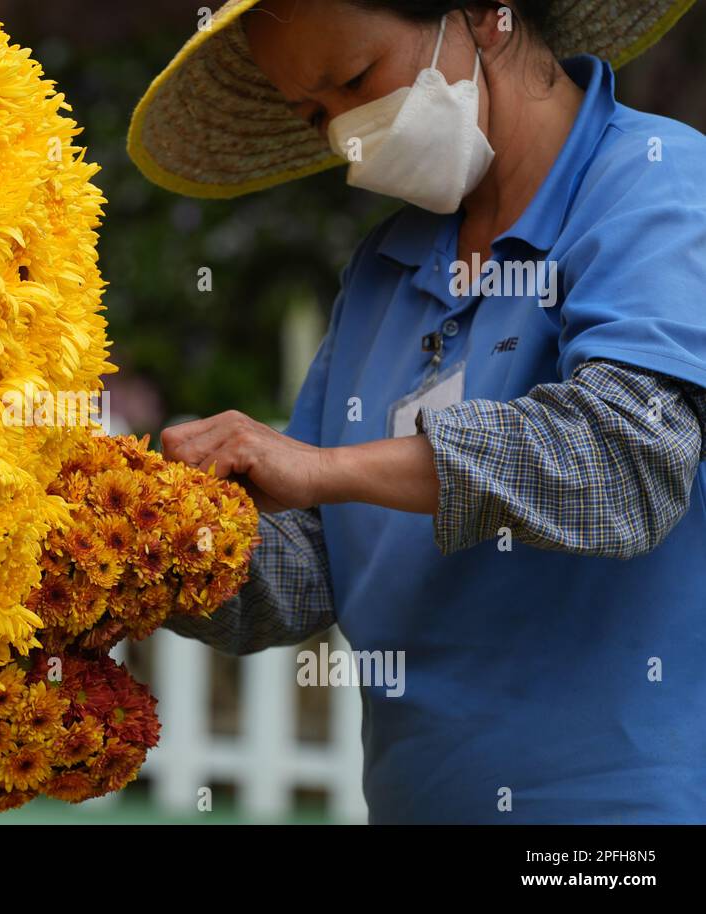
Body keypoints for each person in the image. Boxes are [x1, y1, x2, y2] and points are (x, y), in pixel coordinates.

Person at [128, 0, 706, 823]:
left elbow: (625, 463)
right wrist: (136, 544)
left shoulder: (658, 183)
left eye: (357, 80)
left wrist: (323, 469)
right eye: (316, 114)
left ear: (482, 16)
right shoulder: (387, 267)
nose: (346, 133)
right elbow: (313, 565)